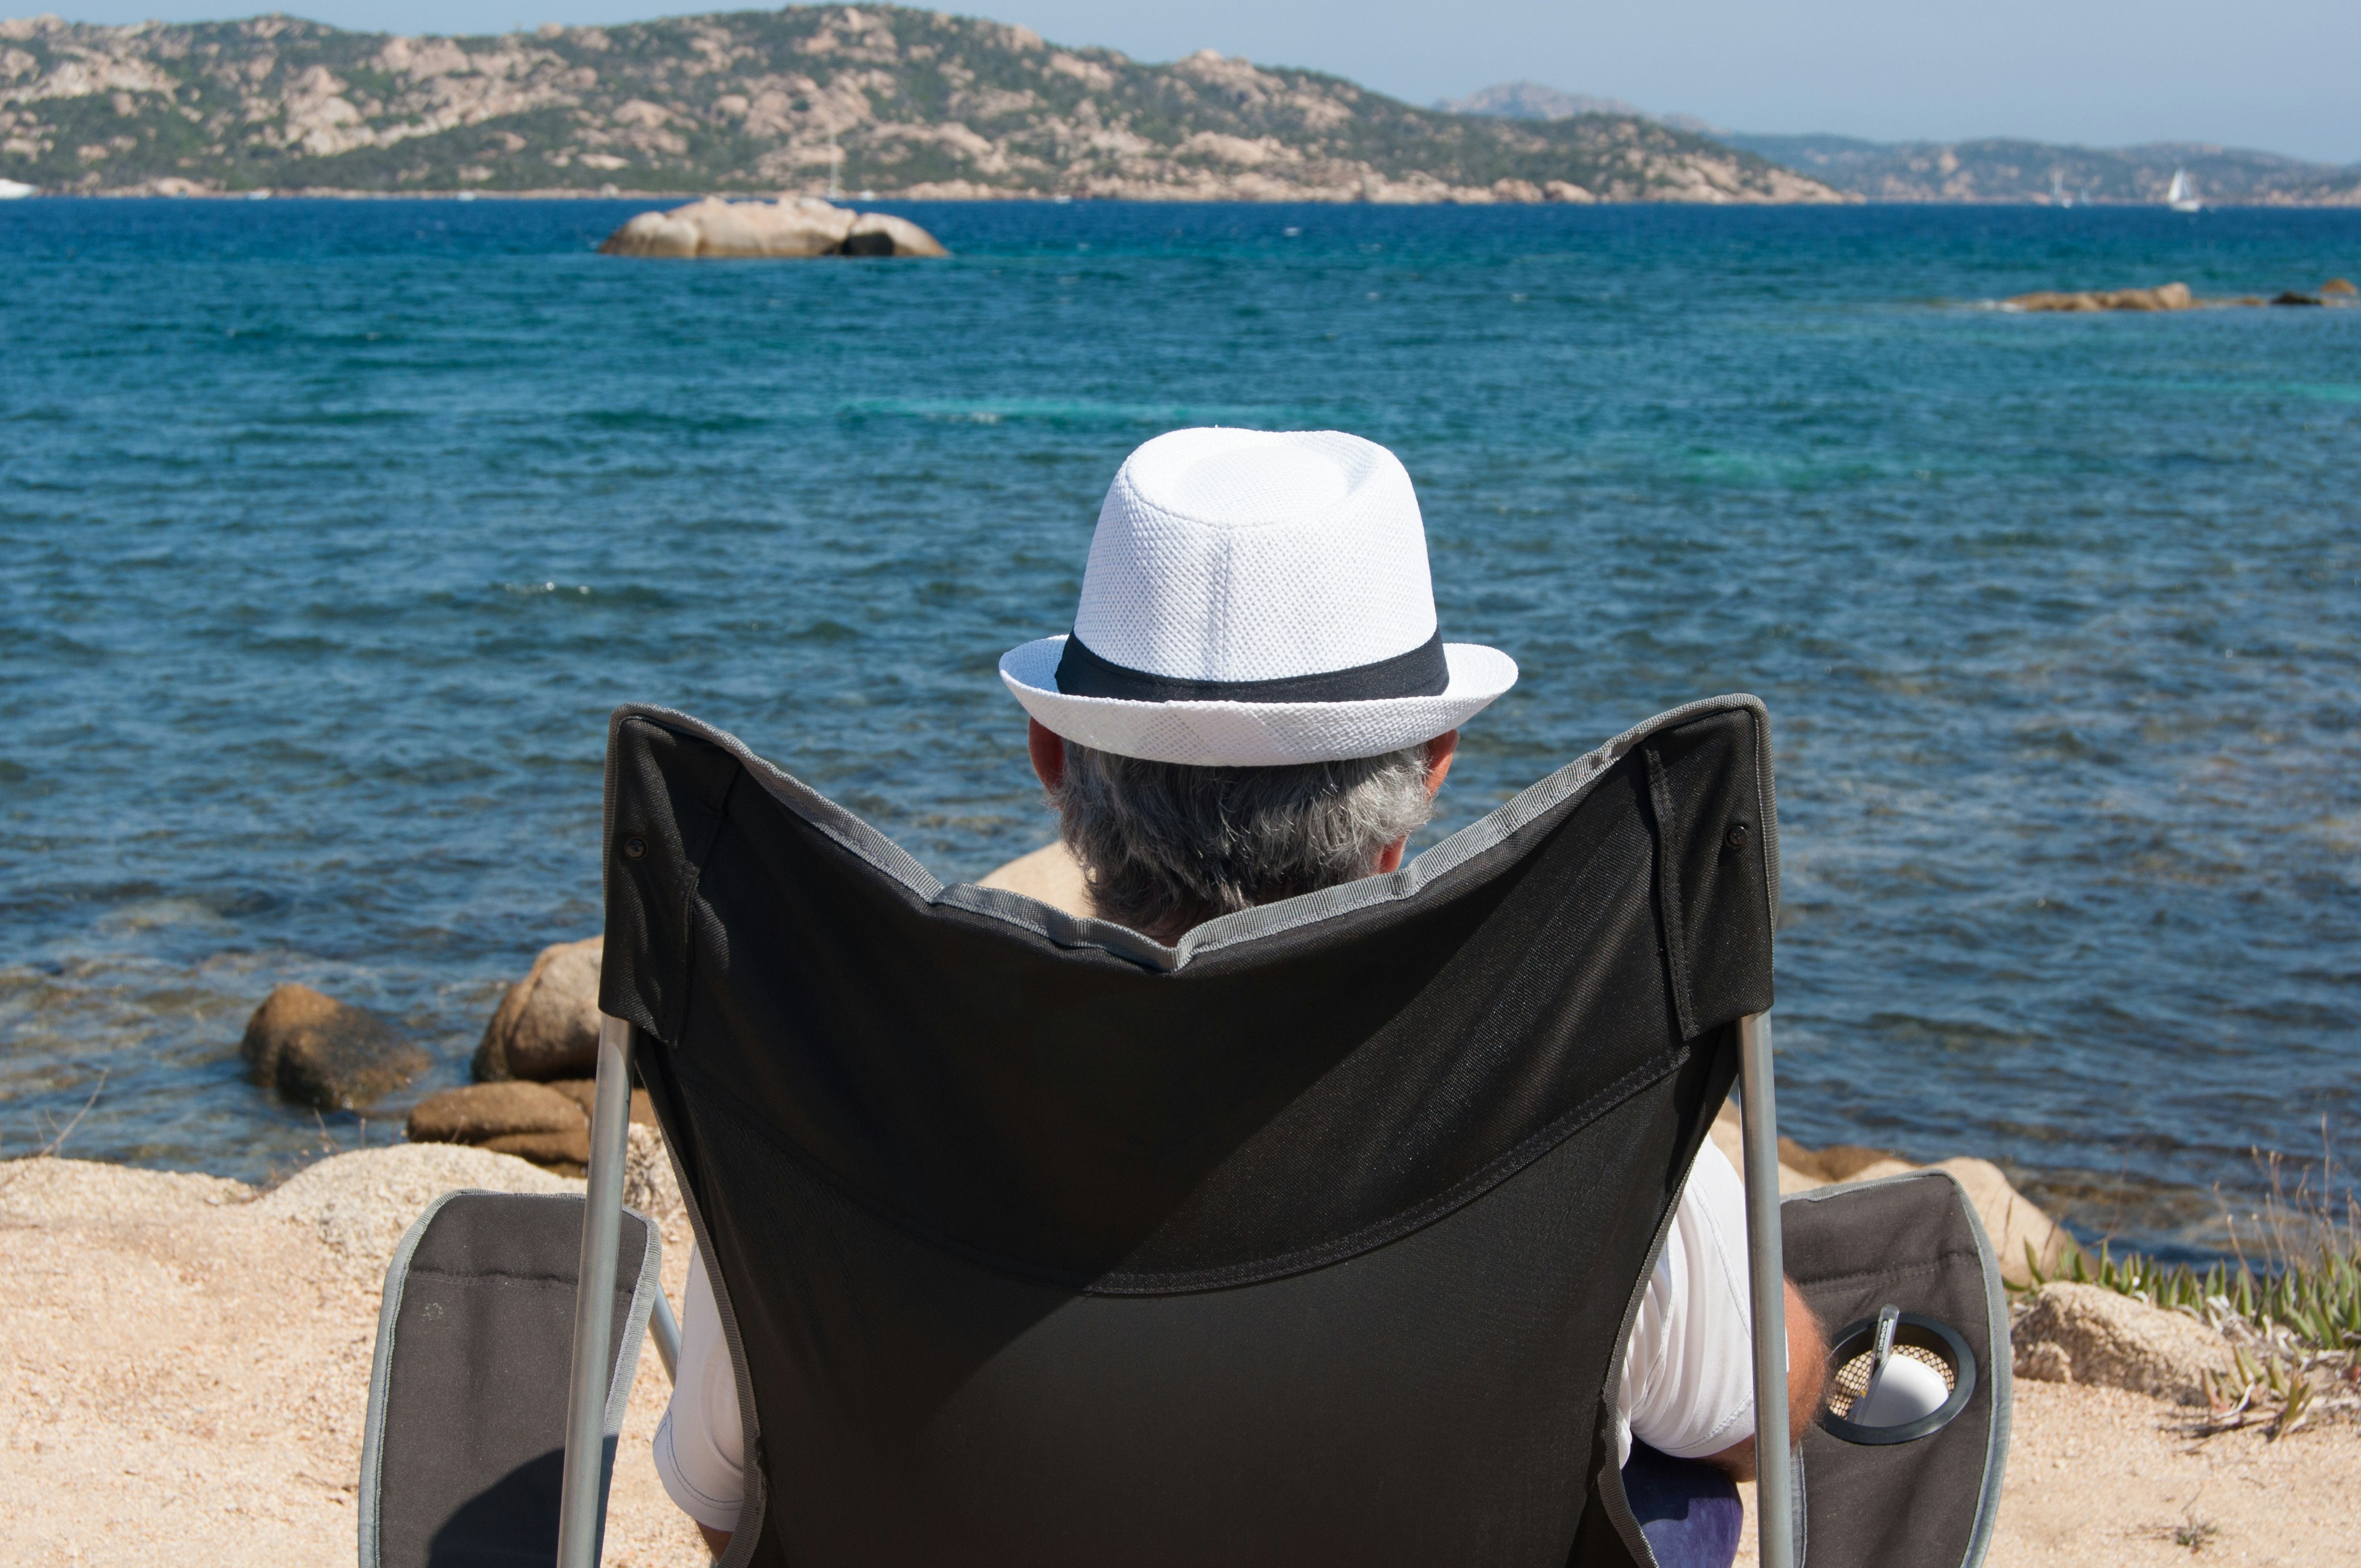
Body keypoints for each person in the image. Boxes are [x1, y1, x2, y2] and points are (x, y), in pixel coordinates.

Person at [656, 427, 1826, 1565]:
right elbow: (1763, 1401)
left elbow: (731, 1503)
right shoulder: (1540, 1083)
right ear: (1430, 771)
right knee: (1663, 1464)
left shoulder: (845, 1099)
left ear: (1050, 756)